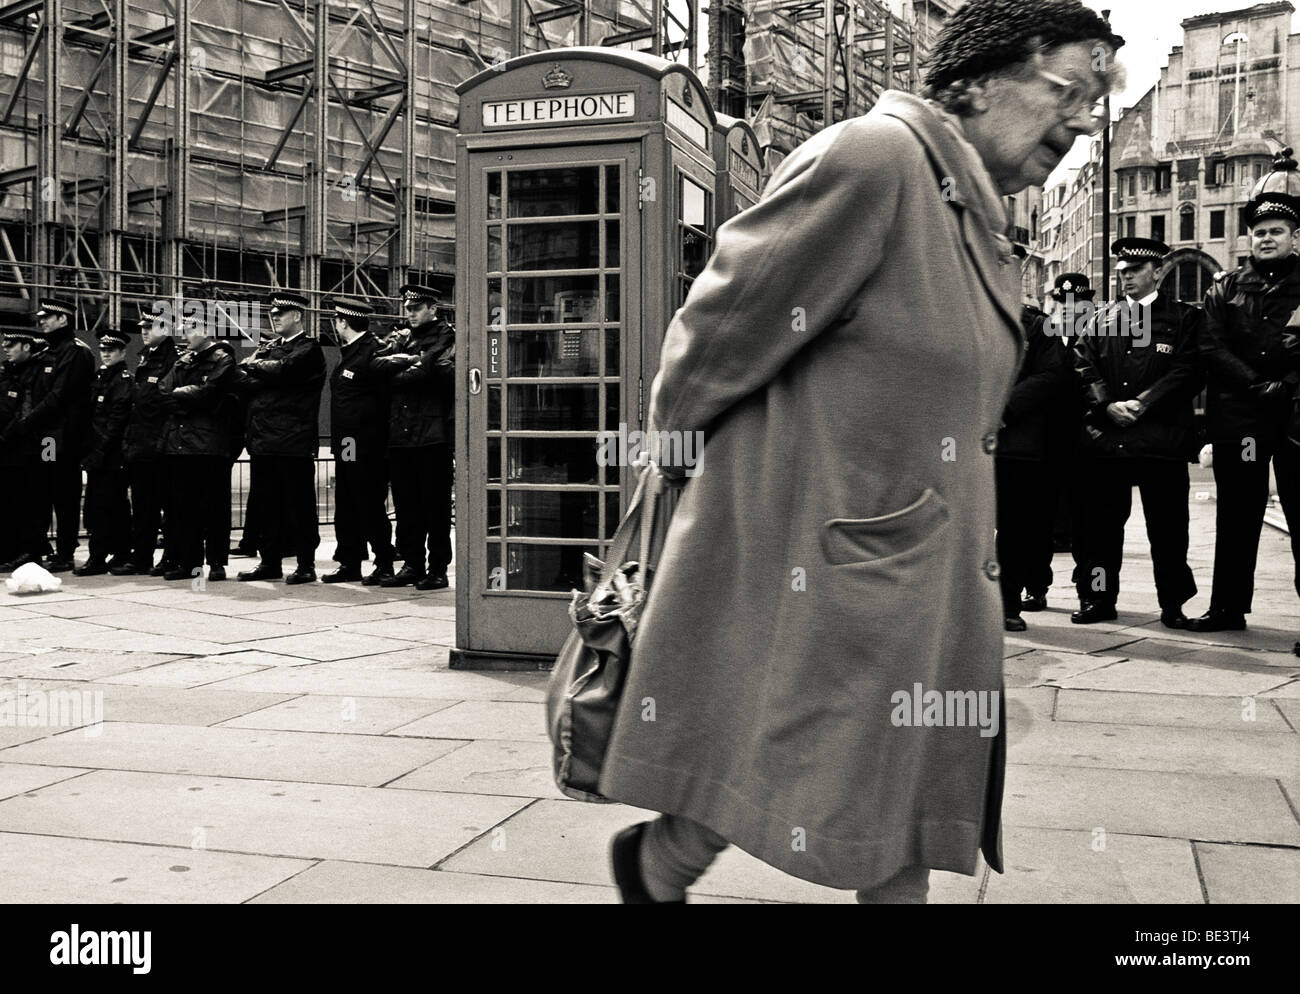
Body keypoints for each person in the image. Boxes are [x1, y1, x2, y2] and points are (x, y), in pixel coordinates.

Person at [595, 0, 1124, 904]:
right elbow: (718, 334)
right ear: (978, 80)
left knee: (880, 780)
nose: (1082, 119)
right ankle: (660, 862)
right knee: (875, 787)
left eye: (1097, 100)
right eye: (1067, 89)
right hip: (833, 555)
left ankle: (661, 863)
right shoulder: (874, 159)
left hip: (927, 565)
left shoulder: (978, 217)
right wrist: (673, 479)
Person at [1069, 238, 1203, 626]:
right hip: (1107, 441)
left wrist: (1143, 404)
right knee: (1100, 532)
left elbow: (1189, 370)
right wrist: (1106, 404)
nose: (1126, 278)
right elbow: (1082, 365)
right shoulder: (1099, 319)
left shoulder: (1183, 319)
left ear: (1157, 272)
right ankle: (1097, 599)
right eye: (1122, 271)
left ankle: (1173, 604)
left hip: (1162, 442)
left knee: (1169, 530)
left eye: (1134, 271)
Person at [1191, 166, 1300, 632]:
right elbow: (1211, 347)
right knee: (1236, 518)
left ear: (1295, 237)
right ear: (1248, 238)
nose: (1267, 239)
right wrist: (1259, 385)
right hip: (1242, 418)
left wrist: (1288, 383)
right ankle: (1227, 608)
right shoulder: (1226, 287)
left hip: (1295, 417)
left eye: (1277, 231)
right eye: (1259, 232)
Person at [234, 291, 325, 585]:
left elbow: (285, 371)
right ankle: (269, 561)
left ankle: (305, 564)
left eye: (280, 314)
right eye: (272, 315)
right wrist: (260, 369)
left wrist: (255, 365)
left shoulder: (309, 349)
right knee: (267, 505)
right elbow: (244, 381)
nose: (274, 318)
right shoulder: (272, 349)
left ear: (297, 316)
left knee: (299, 505)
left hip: (293, 440)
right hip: (264, 440)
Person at [371, 282, 455, 591]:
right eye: (408, 308)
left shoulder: (448, 336)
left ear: (433, 308)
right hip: (401, 434)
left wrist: (404, 370)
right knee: (406, 507)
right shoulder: (402, 337)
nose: (411, 313)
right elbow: (376, 367)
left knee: (435, 507)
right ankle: (411, 564)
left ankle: (437, 568)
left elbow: (434, 372)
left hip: (433, 435)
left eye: (416, 308)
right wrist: (410, 362)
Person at [997, 303, 1071, 630]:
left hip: (1018, 445)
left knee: (1015, 530)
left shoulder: (1041, 326)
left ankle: (1007, 605)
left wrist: (1002, 408)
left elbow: (1052, 374)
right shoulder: (963, 308)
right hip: (964, 445)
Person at [1030, 272, 1094, 612]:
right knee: (1039, 521)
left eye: (1076, 304)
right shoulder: (1045, 338)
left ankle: (1088, 591)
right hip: (1047, 444)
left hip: (1087, 445)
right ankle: (1035, 587)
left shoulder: (1103, 336)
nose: (1069, 311)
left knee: (1088, 525)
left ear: (1089, 305)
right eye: (1062, 304)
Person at [158, 317, 237, 582]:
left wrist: (181, 396)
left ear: (206, 330)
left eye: (189, 329)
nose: (183, 334)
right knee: (184, 509)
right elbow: (162, 392)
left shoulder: (223, 359)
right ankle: (190, 564)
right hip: (181, 443)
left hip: (209, 445)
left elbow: (211, 396)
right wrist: (186, 398)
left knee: (214, 507)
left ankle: (216, 562)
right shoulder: (183, 360)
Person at [322, 296, 395, 584]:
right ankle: (349, 561)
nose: (336, 324)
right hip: (347, 442)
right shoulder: (351, 351)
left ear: (343, 322)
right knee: (347, 501)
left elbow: (380, 401)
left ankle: (384, 560)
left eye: (337, 320)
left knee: (367, 501)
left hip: (365, 443)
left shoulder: (371, 351)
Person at [27, 298, 96, 572]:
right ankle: (40, 547)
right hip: (47, 436)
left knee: (62, 493)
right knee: (42, 490)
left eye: (47, 317)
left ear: (63, 320)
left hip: (61, 436)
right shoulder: (48, 352)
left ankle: (65, 551)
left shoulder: (76, 353)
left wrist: (28, 422)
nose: (41, 321)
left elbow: (59, 397)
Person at [120, 308, 179, 576]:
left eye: (150, 327)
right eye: (142, 326)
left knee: (169, 504)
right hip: (142, 444)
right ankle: (141, 556)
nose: (143, 331)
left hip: (160, 445)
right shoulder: (146, 359)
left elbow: (165, 404)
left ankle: (170, 557)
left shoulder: (172, 360)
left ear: (165, 329)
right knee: (143, 505)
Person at [74, 326, 135, 576]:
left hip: (111, 455)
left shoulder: (122, 381)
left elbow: (115, 423)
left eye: (111, 351)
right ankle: (117, 552)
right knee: (105, 506)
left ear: (122, 352)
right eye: (103, 350)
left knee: (106, 507)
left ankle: (100, 555)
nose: (106, 355)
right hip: (99, 453)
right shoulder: (101, 378)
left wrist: (99, 452)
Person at [0, 325, 47, 570]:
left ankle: (29, 550)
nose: (5, 349)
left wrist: (5, 436)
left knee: (27, 501)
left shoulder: (36, 373)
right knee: (7, 501)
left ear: (26, 347)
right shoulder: (10, 371)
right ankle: (9, 549)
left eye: (10, 346)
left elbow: (24, 413)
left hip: (27, 448)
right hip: (9, 450)